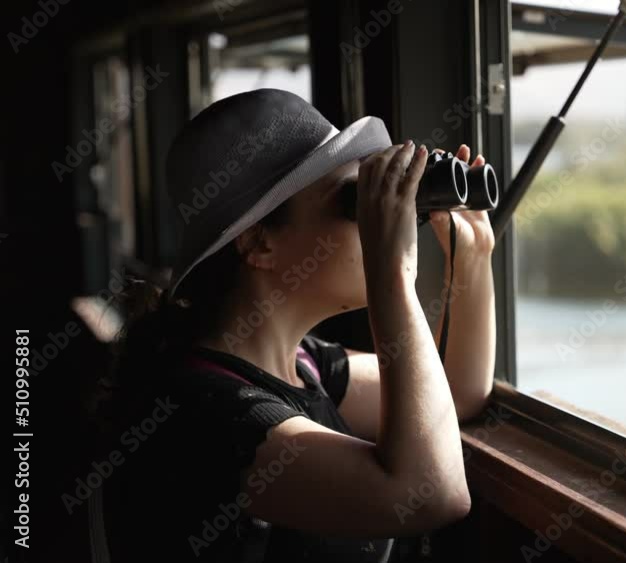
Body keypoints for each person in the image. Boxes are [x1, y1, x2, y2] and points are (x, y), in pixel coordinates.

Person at [94, 89, 496, 562]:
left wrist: (471, 258)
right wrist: (393, 275)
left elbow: (453, 393)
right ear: (259, 243)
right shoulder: (203, 410)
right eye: (354, 200)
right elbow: (431, 493)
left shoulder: (304, 363)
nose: (375, 219)